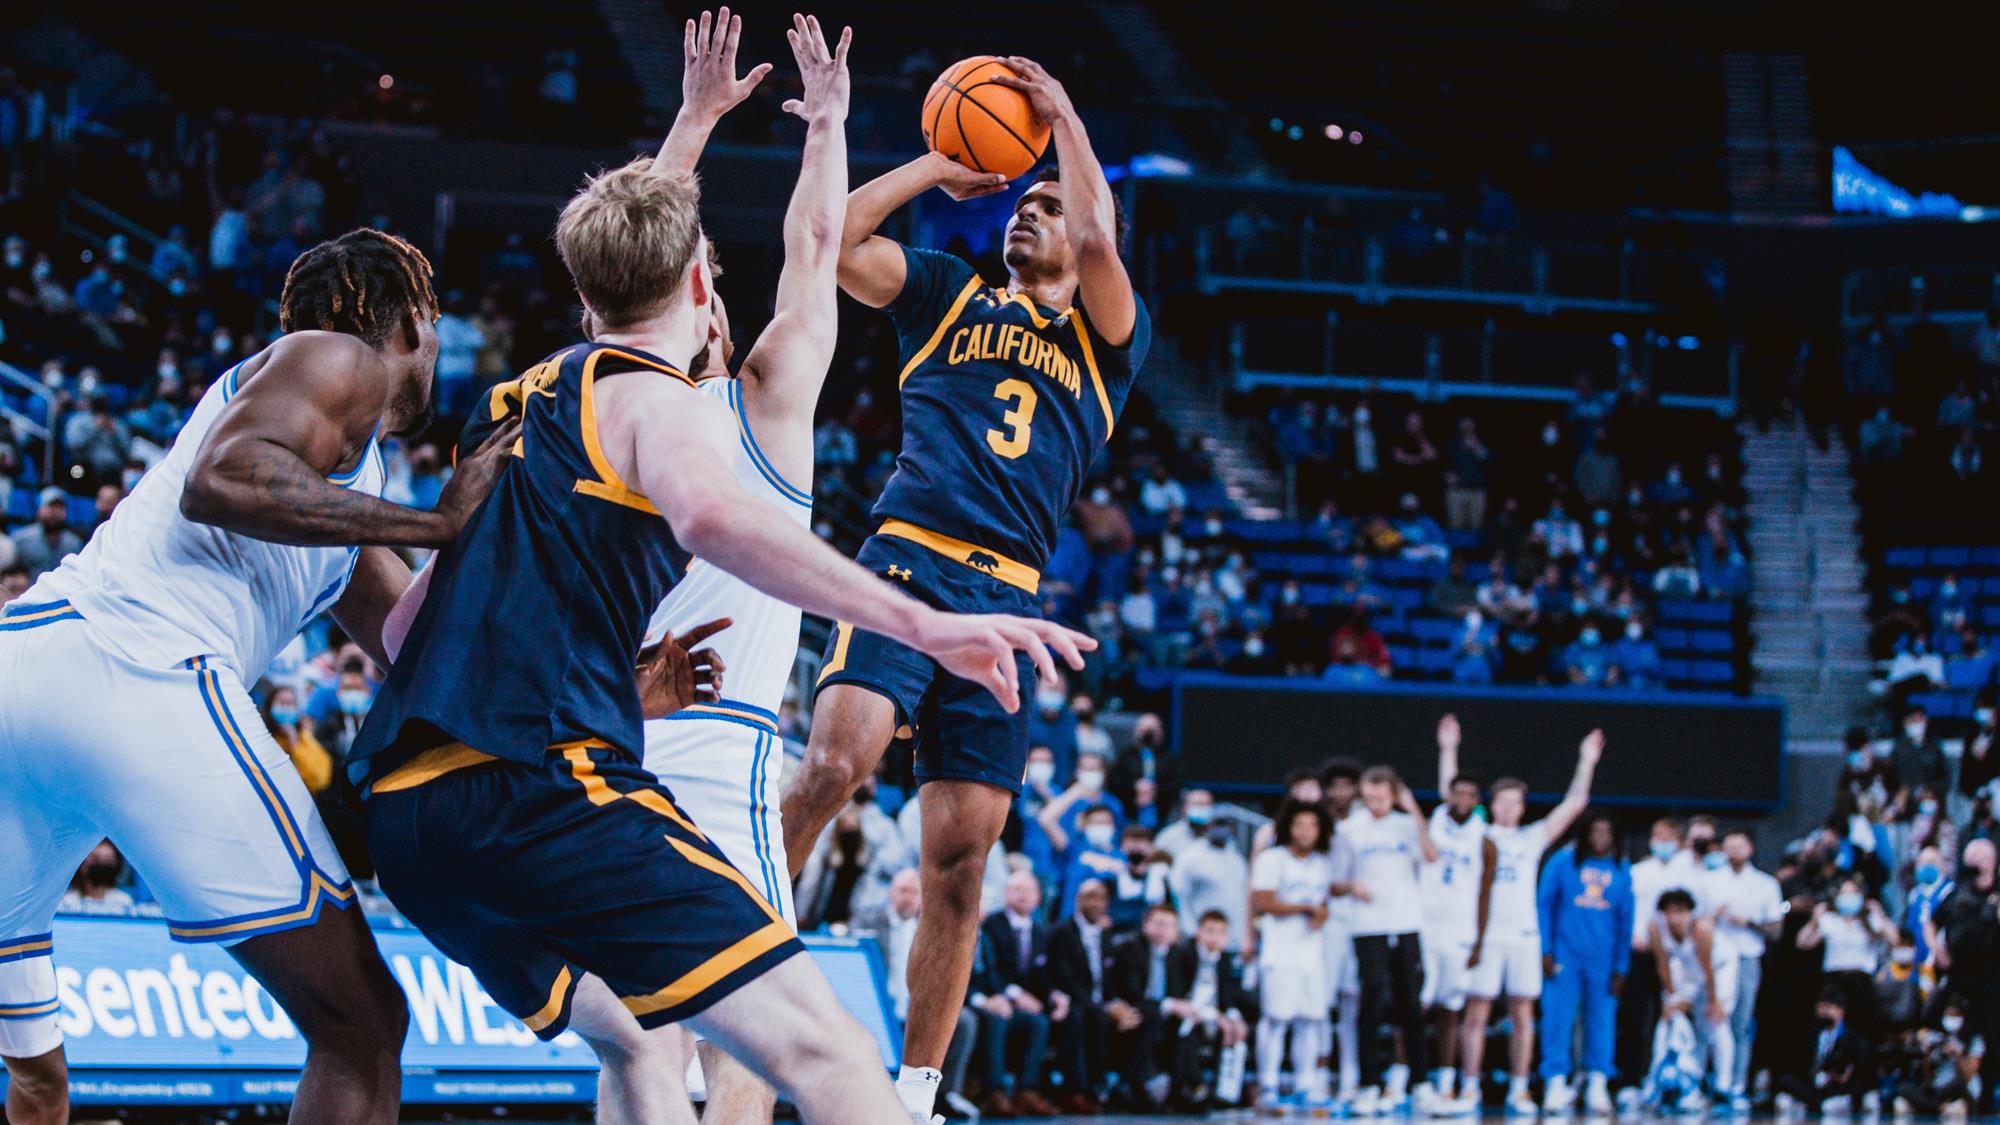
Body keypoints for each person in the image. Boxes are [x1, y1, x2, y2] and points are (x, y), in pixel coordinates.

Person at [347, 18, 1091, 1119]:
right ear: (701, 297)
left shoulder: (564, 403)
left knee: (643, 1052)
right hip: (661, 763)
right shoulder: (734, 408)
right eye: (707, 277)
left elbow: (633, 257)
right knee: (775, 1052)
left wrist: (693, 128)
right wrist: (824, 125)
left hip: (529, 758)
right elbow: (791, 250)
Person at [0, 228, 518, 1125]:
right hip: (145, 670)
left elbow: (422, 652)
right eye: (434, 320)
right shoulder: (341, 356)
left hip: (30, 671)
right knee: (362, 1022)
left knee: (38, 1078)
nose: (438, 343)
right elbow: (226, 477)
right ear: (405, 321)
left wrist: (619, 688)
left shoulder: (339, 491)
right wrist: (441, 526)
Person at [779, 50, 1148, 1123]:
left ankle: (915, 1092)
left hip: (1006, 604)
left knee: (959, 862)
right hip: (904, 561)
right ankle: (727, 958)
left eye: (1048, 203)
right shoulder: (944, 291)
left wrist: (1065, 116)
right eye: (1021, 203)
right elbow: (831, 240)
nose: (1033, 216)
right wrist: (937, 167)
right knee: (834, 765)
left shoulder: (1105, 342)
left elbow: (1096, 235)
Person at [1460, 730, 1604, 1115]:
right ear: (1492, 806)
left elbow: (1575, 804)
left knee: (1522, 1014)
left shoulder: (1531, 839)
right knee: (1477, 1013)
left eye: (1515, 802)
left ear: (1523, 808)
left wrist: (1586, 761)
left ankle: (1520, 1090)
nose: (1508, 808)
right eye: (1502, 802)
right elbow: (1451, 800)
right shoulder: (1477, 836)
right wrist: (1449, 750)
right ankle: (1469, 1087)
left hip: (1523, 936)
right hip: (1485, 937)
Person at [1331, 767, 1442, 1115]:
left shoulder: (1408, 825)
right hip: (1368, 926)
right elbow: (1335, 882)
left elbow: (1431, 855)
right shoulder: (1349, 829)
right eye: (1370, 798)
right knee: (1372, 1001)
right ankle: (1368, 1085)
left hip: (1407, 922)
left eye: (1383, 797)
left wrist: (1413, 810)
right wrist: (1352, 887)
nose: (1377, 804)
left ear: (1393, 796)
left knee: (1411, 1003)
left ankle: (1421, 1084)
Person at [1538, 810, 1635, 1116]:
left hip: (1603, 960)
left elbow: (1625, 921)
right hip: (1565, 954)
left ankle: (1597, 1082)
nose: (1600, 838)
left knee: (1601, 1020)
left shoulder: (1621, 869)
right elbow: (1544, 905)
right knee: (1558, 1018)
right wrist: (1545, 949)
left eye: (1606, 832)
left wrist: (1621, 966)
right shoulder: (1563, 861)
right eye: (1595, 831)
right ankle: (1555, 1081)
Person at [1251, 797, 1336, 1112]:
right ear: (1288, 827)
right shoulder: (1272, 859)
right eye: (1299, 824)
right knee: (1276, 1019)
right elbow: (1263, 901)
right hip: (1280, 951)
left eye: (1312, 825)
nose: (1305, 831)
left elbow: (1323, 901)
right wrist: (1303, 907)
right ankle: (1268, 1083)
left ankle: (1306, 1083)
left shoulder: (1321, 863)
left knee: (1310, 1019)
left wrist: (1320, 913)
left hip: (1311, 952)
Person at [1428, 714, 1495, 1113]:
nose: (1462, 799)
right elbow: (1445, 786)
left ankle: (1447, 1081)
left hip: (1459, 934)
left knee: (1451, 1010)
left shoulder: (1483, 839)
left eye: (1471, 794)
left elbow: (1486, 896)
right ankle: (1407, 1080)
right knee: (1412, 1008)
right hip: (1426, 929)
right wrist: (1448, 748)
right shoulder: (1436, 820)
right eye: (1457, 793)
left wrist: (1479, 939)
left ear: (1479, 801)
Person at [1703, 830, 1784, 1107]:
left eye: (1739, 845)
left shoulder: (1765, 884)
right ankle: (1705, 1084)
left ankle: (1736, 1085)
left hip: (1747, 957)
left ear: (1750, 849)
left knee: (1740, 1023)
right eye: (1729, 845)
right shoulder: (1710, 881)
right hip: (1714, 959)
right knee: (1710, 1021)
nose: (1733, 851)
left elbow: (1776, 929)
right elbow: (1696, 923)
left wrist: (1747, 921)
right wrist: (1712, 918)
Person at [974, 872, 1060, 1116]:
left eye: (1029, 890)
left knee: (1039, 1022)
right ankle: (994, 1092)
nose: (1023, 895)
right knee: (999, 1018)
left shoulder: (1039, 930)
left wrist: (1054, 995)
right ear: (1005, 894)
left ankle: (1026, 1091)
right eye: (1017, 889)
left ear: (1039, 897)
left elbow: (1042, 976)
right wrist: (1010, 994)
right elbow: (993, 971)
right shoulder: (991, 924)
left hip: (1014, 1001)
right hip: (991, 996)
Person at [1648, 889, 1736, 1112]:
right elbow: (1662, 965)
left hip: (1719, 969)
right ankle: (1673, 1082)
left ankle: (1723, 1088)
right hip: (1690, 970)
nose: (1675, 918)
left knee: (1717, 1023)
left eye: (1680, 912)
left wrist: (1714, 1000)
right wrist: (1672, 997)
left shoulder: (1702, 927)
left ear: (1690, 913)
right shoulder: (1656, 928)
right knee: (1670, 1020)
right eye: (1670, 912)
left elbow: (1707, 965)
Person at [1933, 839, 2000, 1110]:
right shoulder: (1957, 892)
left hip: (1992, 976)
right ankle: (1953, 1093)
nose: (1975, 863)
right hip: (1961, 976)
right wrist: (1938, 949)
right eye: (1971, 857)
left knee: (1993, 1036)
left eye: (1980, 858)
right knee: (1955, 1034)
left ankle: (1985, 1096)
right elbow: (1932, 920)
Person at [1163, 910, 1250, 1108]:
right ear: (1199, 933)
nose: (1214, 937)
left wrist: (1234, 1018)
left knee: (1237, 1031)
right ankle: (1194, 1088)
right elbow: (1178, 995)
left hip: (1212, 1016)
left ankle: (1227, 1093)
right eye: (1209, 931)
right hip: (1185, 1013)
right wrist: (1215, 1017)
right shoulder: (1182, 953)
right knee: (1188, 1032)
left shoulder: (1224, 959)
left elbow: (1228, 997)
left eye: (1220, 932)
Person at [1049, 879, 1122, 1113]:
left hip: (1099, 1003)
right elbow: (1064, 978)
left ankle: (1117, 1089)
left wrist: (1117, 1003)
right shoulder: (1061, 932)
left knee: (1134, 1017)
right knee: (1082, 1017)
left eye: (1101, 898)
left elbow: (1111, 979)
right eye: (1090, 897)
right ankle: (1077, 1090)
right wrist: (1098, 1006)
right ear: (1078, 900)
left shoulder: (1107, 935)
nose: (1096, 903)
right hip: (1073, 1001)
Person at [1106, 903, 1181, 1108]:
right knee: (1150, 1015)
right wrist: (1169, 1005)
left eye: (1169, 925)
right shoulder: (1129, 947)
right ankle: (1129, 1085)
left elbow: (1179, 992)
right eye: (1158, 924)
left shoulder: (1177, 954)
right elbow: (1133, 993)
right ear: (1145, 925)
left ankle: (1183, 1088)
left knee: (1184, 1021)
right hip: (1129, 1010)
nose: (1163, 930)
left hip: (1158, 1013)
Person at [1775, 990, 1867, 1117]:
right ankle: (1814, 1102)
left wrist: (1837, 1075)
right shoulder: (1812, 1032)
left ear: (1840, 1011)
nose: (1823, 1013)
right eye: (1820, 1007)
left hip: (1836, 1085)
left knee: (1851, 1089)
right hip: (1814, 1084)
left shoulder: (1853, 1037)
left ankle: (1815, 1103)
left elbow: (1856, 1066)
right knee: (1788, 1080)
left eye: (1828, 1008)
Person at [8, 488, 81, 580]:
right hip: (29, 592)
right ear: (39, 510)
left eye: (60, 507)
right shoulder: (21, 539)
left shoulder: (74, 543)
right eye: (50, 507)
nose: (55, 512)